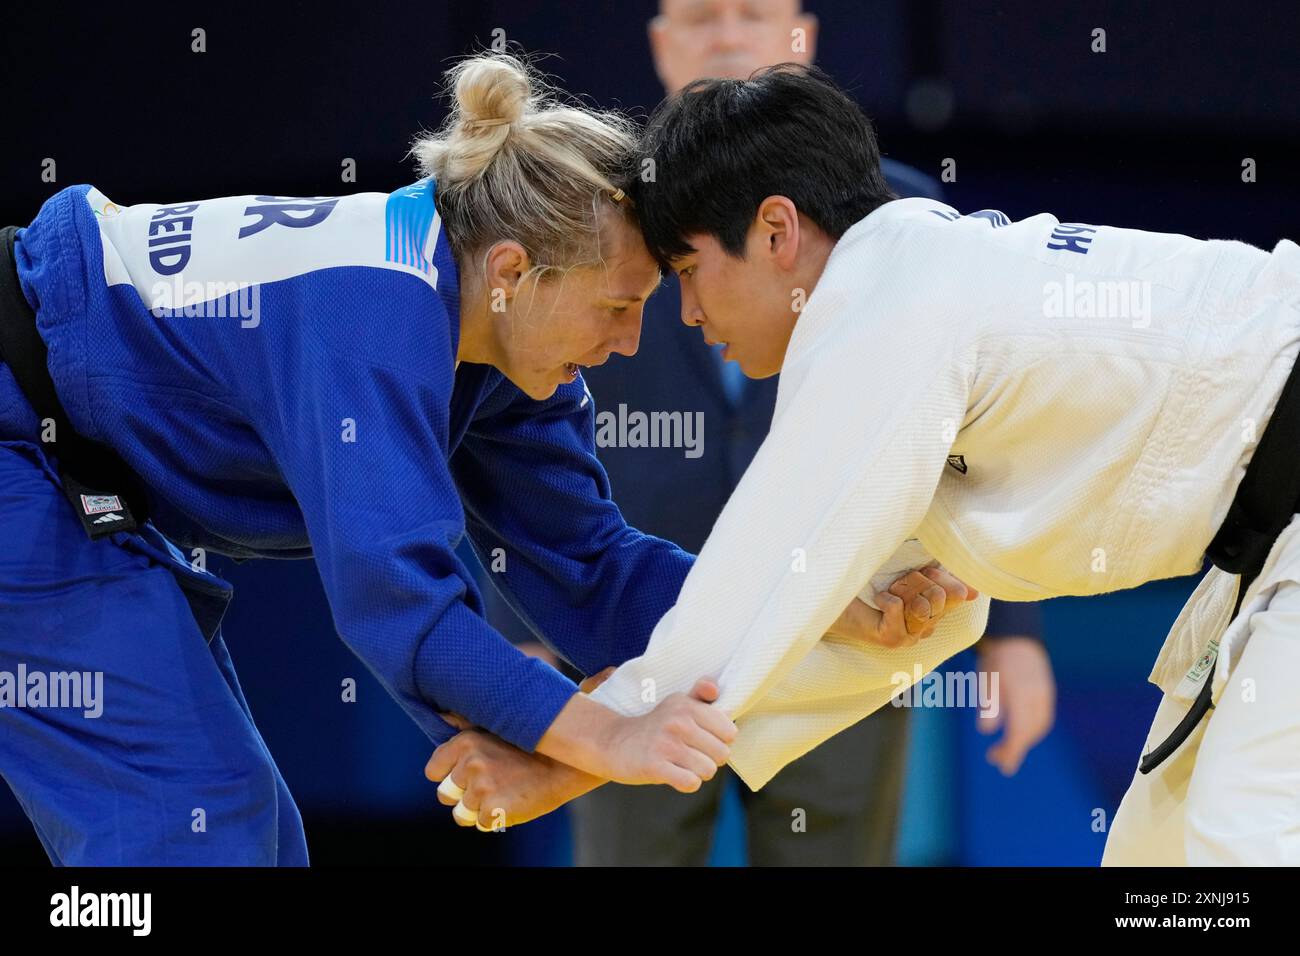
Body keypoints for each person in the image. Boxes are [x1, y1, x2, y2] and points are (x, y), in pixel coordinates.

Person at [0, 52, 967, 865]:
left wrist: (824, 605)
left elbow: (595, 571)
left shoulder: (502, 350)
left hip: (72, 476)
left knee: (231, 827)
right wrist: (601, 737)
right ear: (514, 272)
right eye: (618, 306)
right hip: (22, 445)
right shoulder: (370, 310)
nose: (632, 343)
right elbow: (400, 603)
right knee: (192, 826)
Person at [429, 64, 1300, 866]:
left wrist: (567, 752)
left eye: (691, 270)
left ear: (775, 231)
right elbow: (914, 615)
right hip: (1268, 549)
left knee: (1241, 839)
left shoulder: (889, 303)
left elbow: (754, 593)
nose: (686, 312)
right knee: (1161, 855)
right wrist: (881, 602)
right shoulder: (920, 276)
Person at [563, 0, 1053, 867]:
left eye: (751, 13)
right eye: (701, 17)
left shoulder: (901, 213)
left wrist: (1011, 629)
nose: (725, 35)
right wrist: (528, 614)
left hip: (851, 618)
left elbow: (972, 430)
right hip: (640, 636)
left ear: (804, 41)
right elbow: (532, 413)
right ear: (660, 46)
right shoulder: (602, 220)